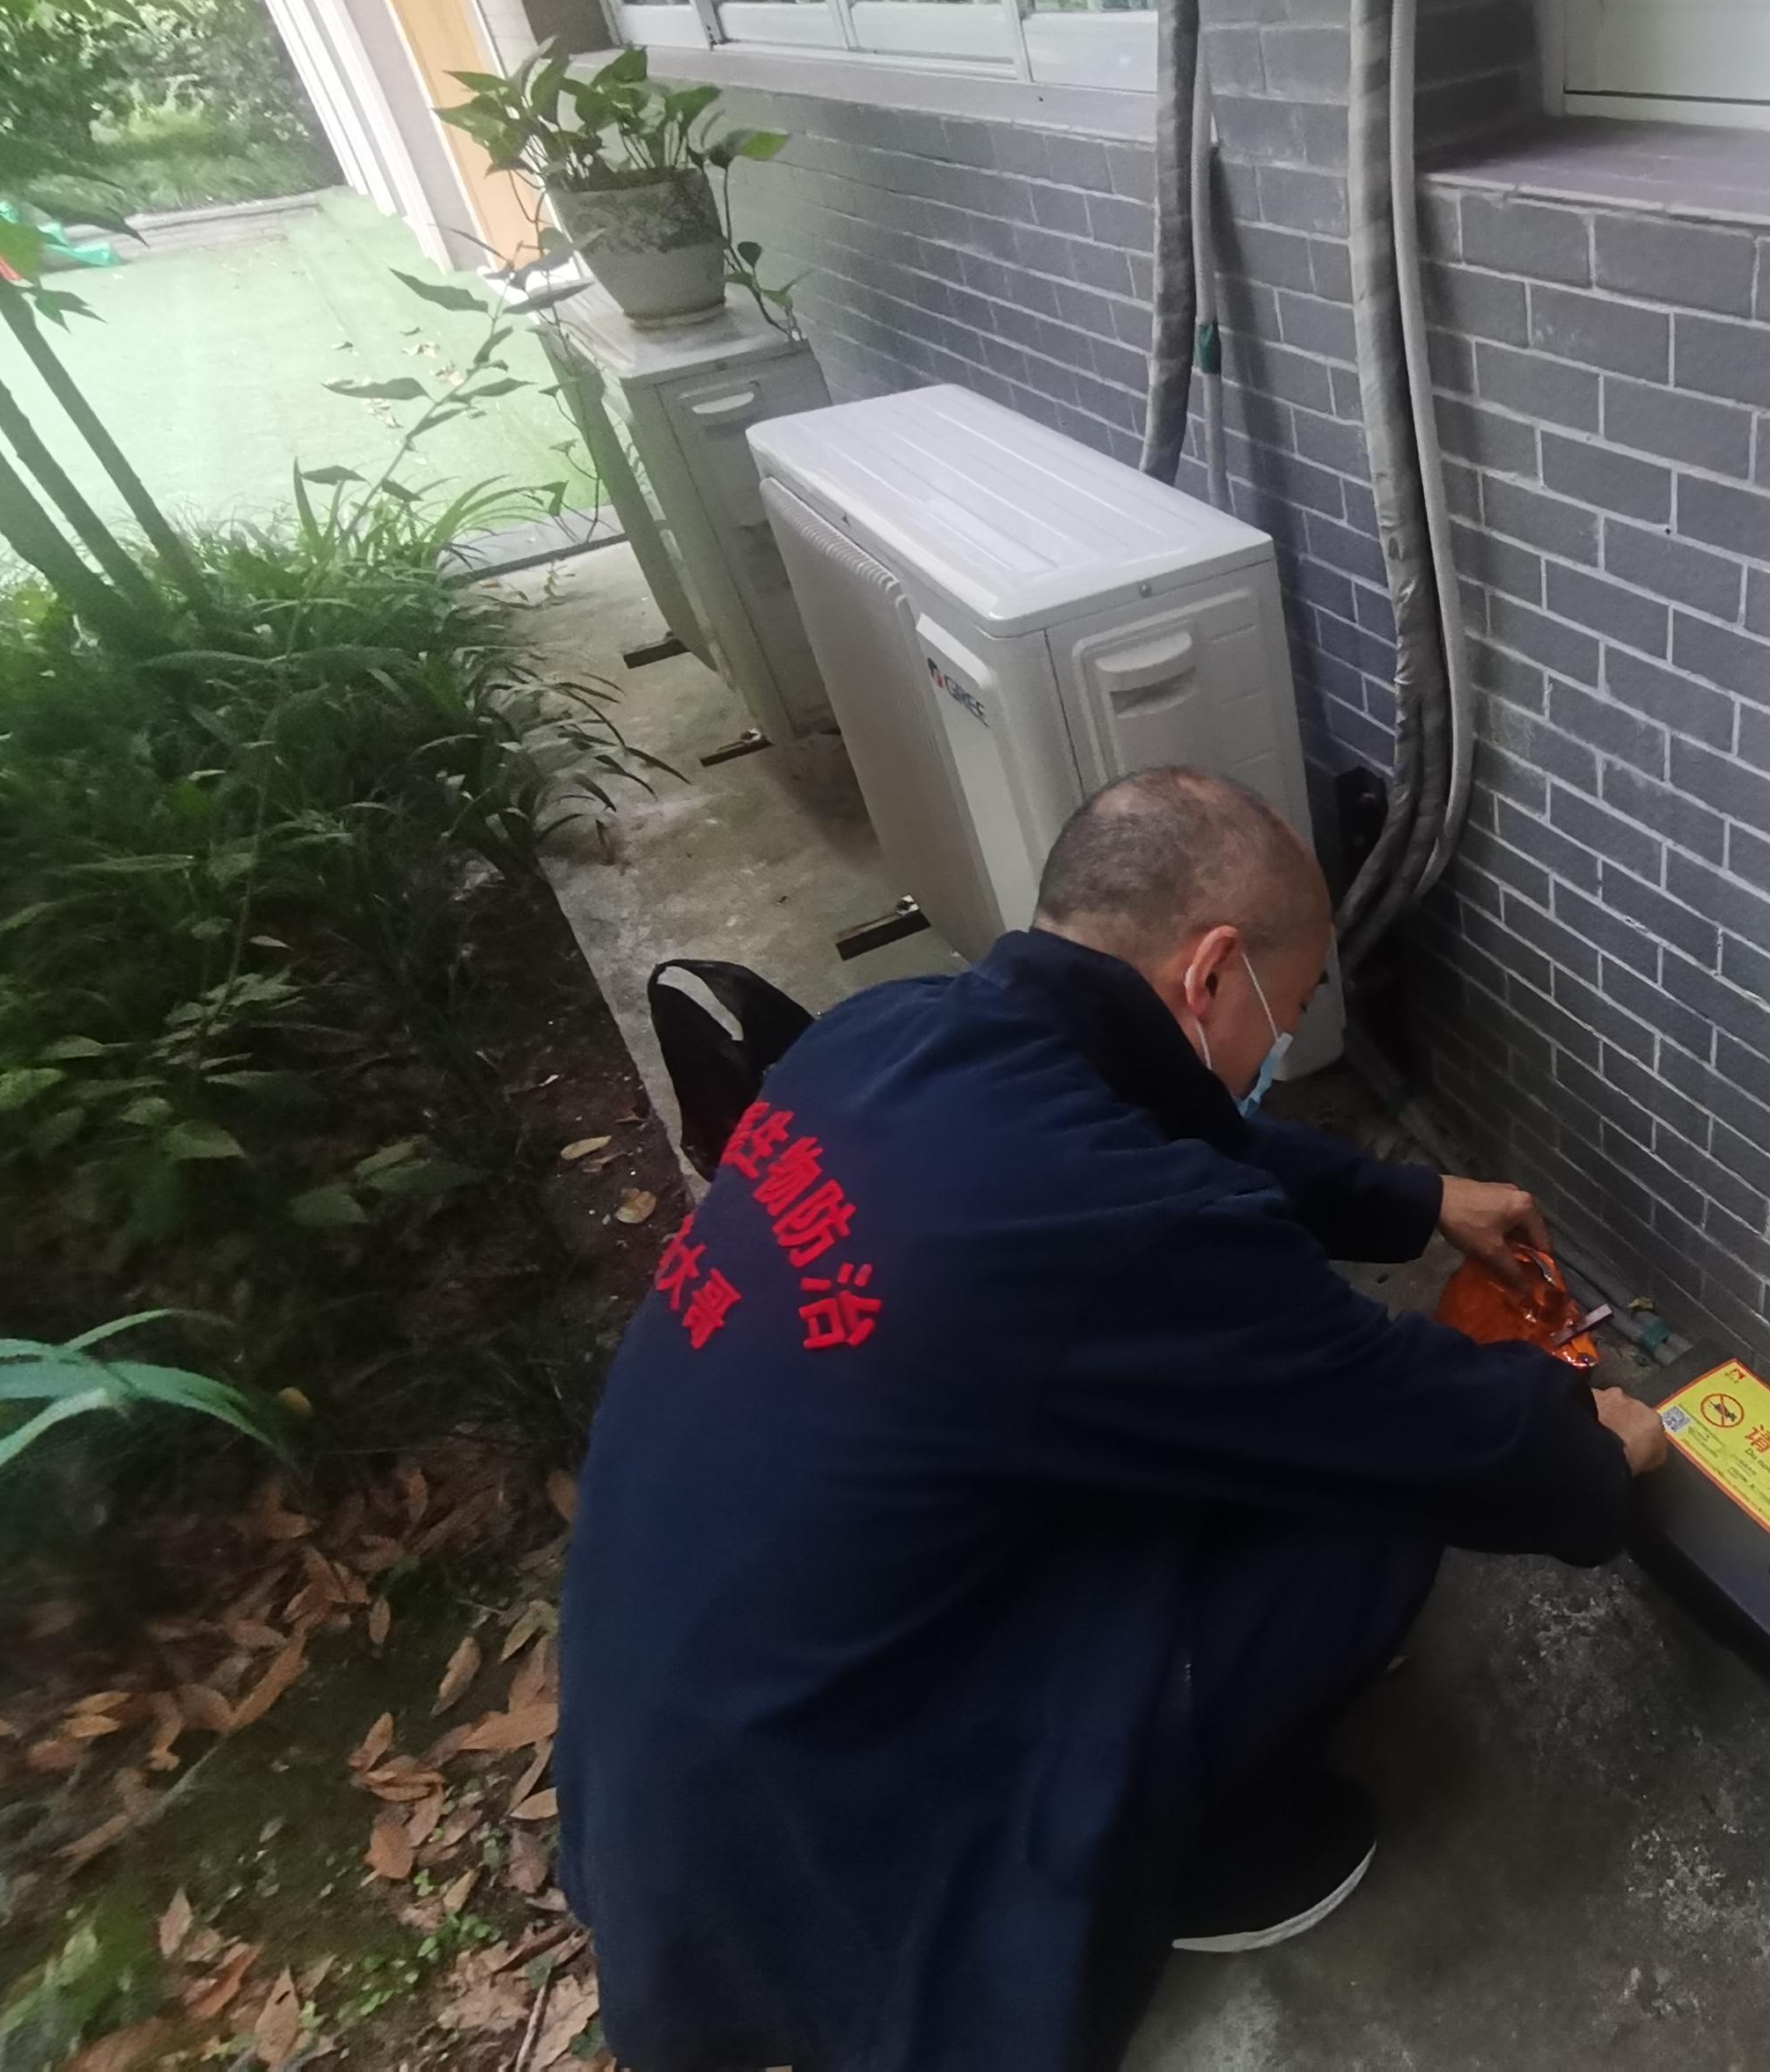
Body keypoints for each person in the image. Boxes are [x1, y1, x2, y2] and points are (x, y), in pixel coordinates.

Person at [557, 765, 1669, 2072]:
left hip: (670, 1781)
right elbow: (1421, 1423)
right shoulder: (1122, 1230)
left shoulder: (892, 1030)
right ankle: (1183, 1862)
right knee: (1360, 1511)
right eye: (1294, 1002)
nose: (1283, 1044)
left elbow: (1161, 1134)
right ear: (1214, 975)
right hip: (833, 1865)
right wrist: (1594, 1450)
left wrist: (1415, 1199)